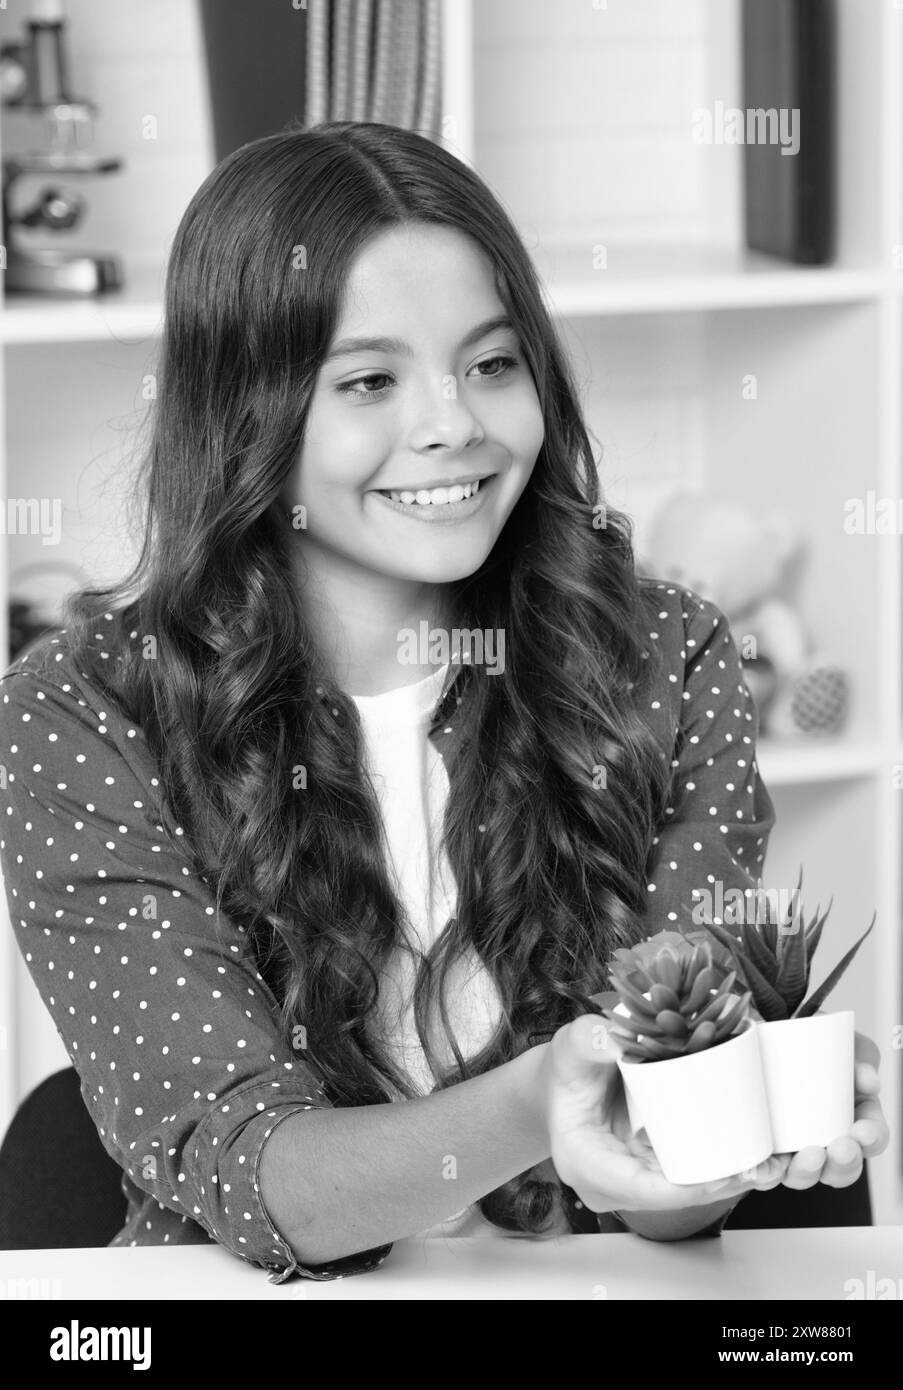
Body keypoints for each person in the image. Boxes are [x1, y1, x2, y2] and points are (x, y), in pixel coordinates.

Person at [0, 121, 887, 1284]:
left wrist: (728, 1137)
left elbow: (656, 1189)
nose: (454, 424)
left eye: (492, 362)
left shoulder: (667, 655)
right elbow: (257, 1175)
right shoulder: (78, 713)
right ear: (245, 411)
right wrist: (542, 1104)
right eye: (370, 379)